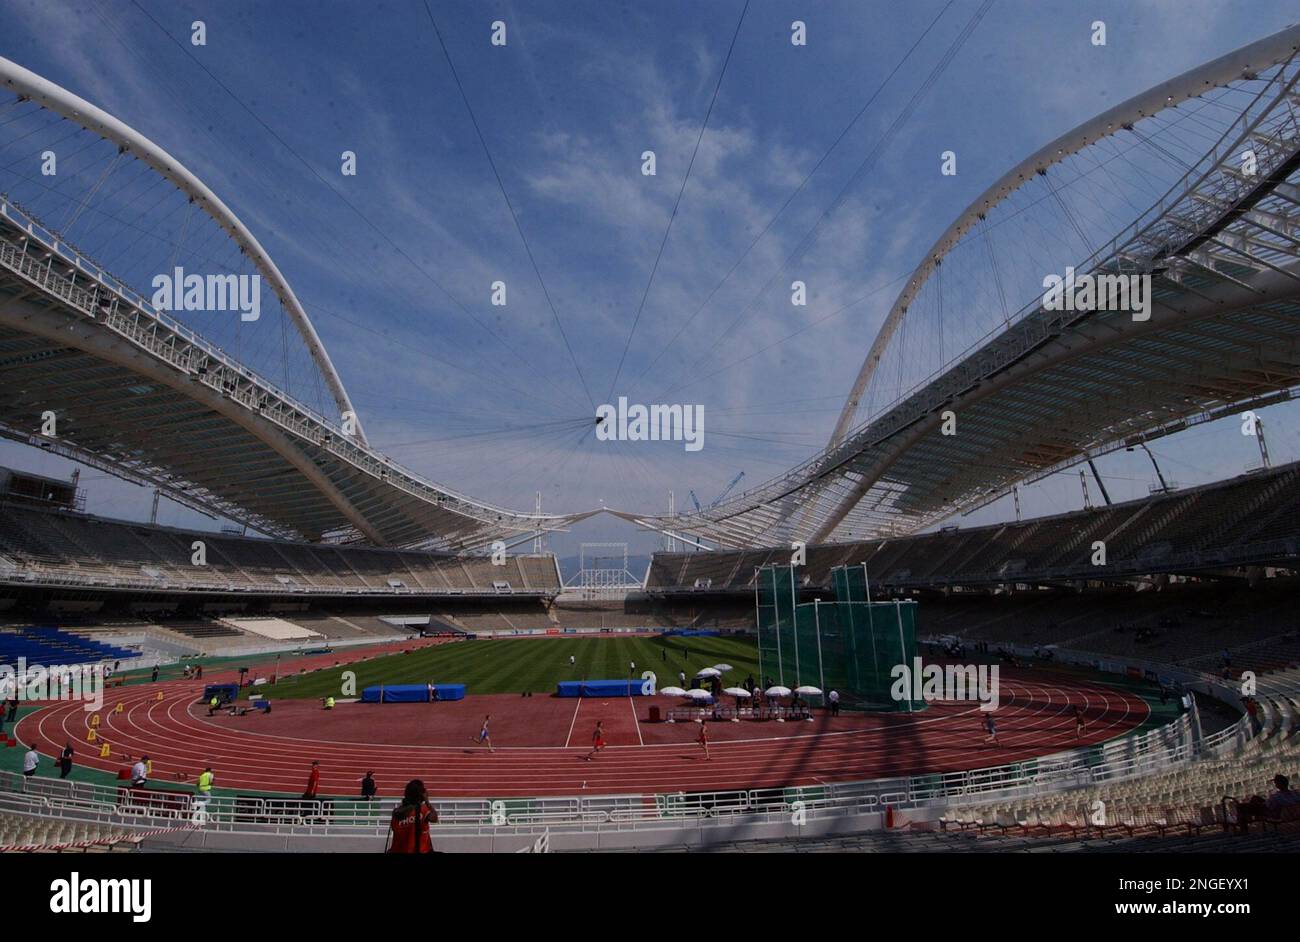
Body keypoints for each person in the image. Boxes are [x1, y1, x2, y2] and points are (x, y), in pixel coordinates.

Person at [1231, 774, 1300, 832]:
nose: (1275, 784)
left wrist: (1262, 803)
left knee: (1241, 807)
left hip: (1272, 813)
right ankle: (1247, 819)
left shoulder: (1276, 796)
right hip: (1288, 813)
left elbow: (1268, 806)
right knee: (1255, 798)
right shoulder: (1295, 794)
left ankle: (1243, 827)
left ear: (1278, 785)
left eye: (1276, 783)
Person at [387, 779, 438, 853]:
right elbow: (435, 818)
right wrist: (427, 801)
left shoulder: (396, 813)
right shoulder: (422, 810)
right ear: (420, 795)